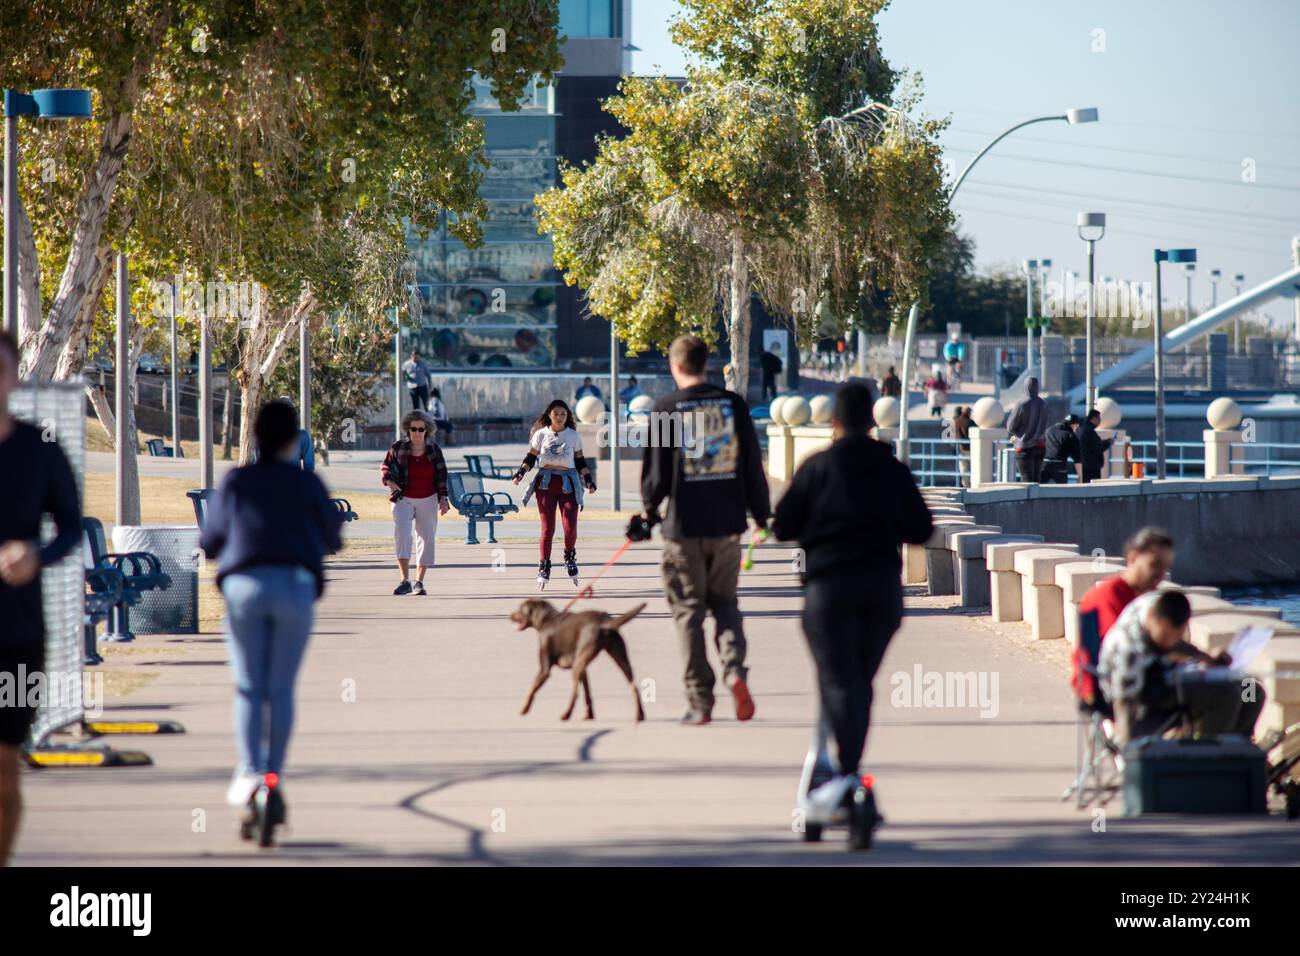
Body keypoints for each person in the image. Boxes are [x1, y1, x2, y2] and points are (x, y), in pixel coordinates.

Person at [772, 384, 933, 807]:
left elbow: (783, 525)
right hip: (880, 591)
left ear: (833, 422)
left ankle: (843, 779)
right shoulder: (892, 469)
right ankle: (847, 774)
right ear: (873, 422)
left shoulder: (816, 467)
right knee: (859, 682)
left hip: (828, 590)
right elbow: (921, 529)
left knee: (841, 682)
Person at [199, 400, 344, 834]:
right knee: (280, 688)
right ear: (291, 439)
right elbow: (333, 538)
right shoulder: (307, 483)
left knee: (248, 686)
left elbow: (211, 541)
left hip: (244, 586)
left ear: (256, 435)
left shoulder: (237, 481)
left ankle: (251, 773)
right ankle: (274, 778)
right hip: (295, 586)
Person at [632, 335, 770, 725]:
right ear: (706, 364)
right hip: (727, 526)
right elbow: (751, 467)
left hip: (683, 528)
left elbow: (655, 477)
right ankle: (735, 671)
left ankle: (700, 701)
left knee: (688, 612)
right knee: (725, 604)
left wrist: (648, 512)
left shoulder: (665, 408)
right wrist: (761, 515)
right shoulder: (734, 404)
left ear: (674, 367)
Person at [0, 331, 81, 866]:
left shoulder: (40, 447)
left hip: (17, 634)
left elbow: (72, 528)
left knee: (5, 768)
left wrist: (36, 557)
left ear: (13, 377)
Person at [1098, 590, 1264, 744]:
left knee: (1250, 689)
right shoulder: (1128, 649)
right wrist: (1128, 751)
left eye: (1176, 637)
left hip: (1165, 677)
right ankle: (1207, 757)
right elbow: (1122, 703)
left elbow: (1173, 642)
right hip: (1146, 701)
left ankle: (1238, 750)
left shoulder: (1153, 607)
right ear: (1153, 619)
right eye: (1166, 637)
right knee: (1227, 694)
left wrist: (1205, 658)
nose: (1170, 642)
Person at [1073, 526, 1176, 707]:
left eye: (1166, 567)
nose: (1161, 575)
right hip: (1105, 686)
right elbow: (1122, 648)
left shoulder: (1144, 597)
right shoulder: (1109, 594)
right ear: (1133, 558)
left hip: (1134, 677)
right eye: (1155, 564)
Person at [513, 400, 597, 589]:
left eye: (563, 414)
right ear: (549, 414)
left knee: (570, 526)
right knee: (547, 528)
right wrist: (520, 473)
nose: (560, 417)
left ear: (567, 416)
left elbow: (581, 462)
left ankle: (569, 555)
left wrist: (589, 480)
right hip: (546, 483)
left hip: (568, 483)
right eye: (556, 413)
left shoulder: (573, 436)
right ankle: (544, 565)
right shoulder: (540, 434)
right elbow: (531, 457)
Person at [382, 410, 450, 595]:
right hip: (402, 498)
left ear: (427, 430)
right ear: (408, 429)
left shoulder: (434, 450)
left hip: (428, 498)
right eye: (414, 429)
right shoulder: (398, 448)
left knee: (426, 538)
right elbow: (385, 467)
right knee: (403, 535)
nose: (418, 433)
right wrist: (390, 482)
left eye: (421, 429)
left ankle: (419, 582)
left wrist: (443, 498)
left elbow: (442, 475)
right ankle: (404, 580)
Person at [1007, 376, 1048, 482]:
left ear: (1025, 387)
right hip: (1040, 445)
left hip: (1024, 446)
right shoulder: (1043, 403)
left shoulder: (1022, 404)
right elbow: (1046, 422)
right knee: (1036, 478)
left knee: (1026, 479)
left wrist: (1017, 434)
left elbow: (1011, 426)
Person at [1041, 414, 1082, 484]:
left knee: (1040, 488)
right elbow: (1077, 458)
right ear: (1073, 425)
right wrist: (1080, 476)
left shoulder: (1048, 431)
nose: (1076, 429)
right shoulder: (1070, 435)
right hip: (1059, 465)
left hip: (1044, 464)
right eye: (1077, 427)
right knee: (1062, 491)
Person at [1078, 407, 1113, 483]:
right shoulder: (1089, 431)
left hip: (1083, 465)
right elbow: (1097, 447)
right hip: (1091, 466)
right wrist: (1108, 443)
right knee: (1092, 489)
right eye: (1099, 419)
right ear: (1094, 418)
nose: (1100, 422)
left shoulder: (1082, 429)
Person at [950, 405, 973, 488]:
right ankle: (971, 485)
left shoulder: (955, 422)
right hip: (970, 449)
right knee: (972, 468)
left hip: (959, 449)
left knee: (963, 469)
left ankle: (964, 485)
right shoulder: (970, 422)